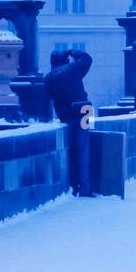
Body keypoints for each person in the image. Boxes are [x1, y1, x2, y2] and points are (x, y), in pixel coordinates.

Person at [45, 49, 93, 197]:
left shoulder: (49, 77)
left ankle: (73, 185)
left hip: (65, 114)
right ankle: (85, 187)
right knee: (84, 149)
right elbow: (87, 58)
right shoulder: (72, 69)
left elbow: (50, 96)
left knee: (71, 151)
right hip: (85, 110)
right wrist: (74, 51)